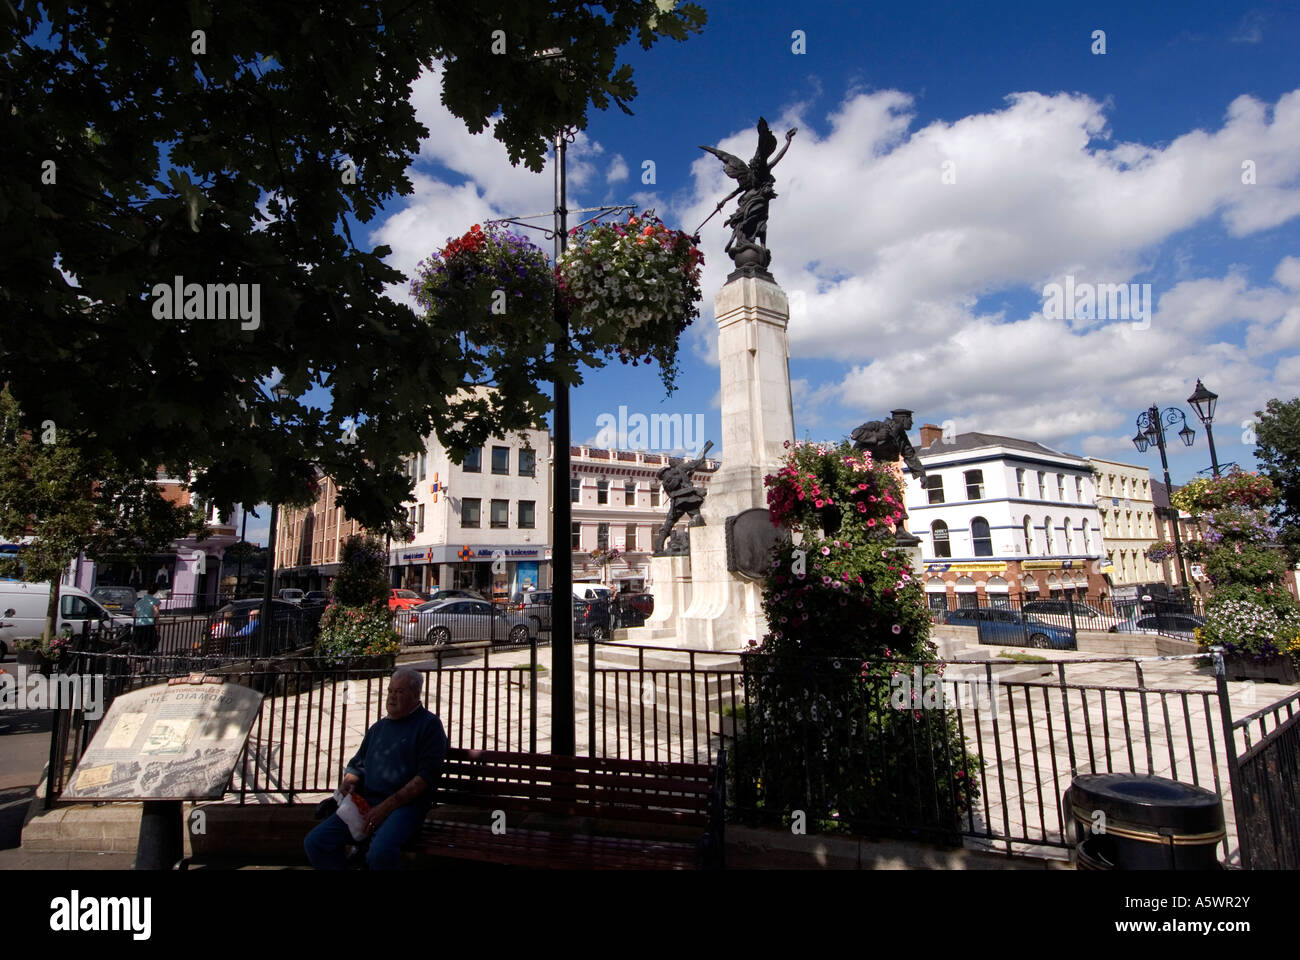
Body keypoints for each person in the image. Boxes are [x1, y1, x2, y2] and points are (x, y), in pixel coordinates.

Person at [304, 667, 448, 870]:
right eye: (390, 691)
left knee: (380, 854)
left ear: (416, 695)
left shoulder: (429, 725)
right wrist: (348, 784)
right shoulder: (379, 728)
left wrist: (386, 807)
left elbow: (425, 778)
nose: (391, 697)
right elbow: (357, 766)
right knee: (316, 842)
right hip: (366, 804)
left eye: (399, 692)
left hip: (405, 807)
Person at [131, 586, 161, 653]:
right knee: (149, 640)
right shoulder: (155, 601)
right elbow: (156, 612)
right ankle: (146, 654)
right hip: (149, 624)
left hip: (138, 624)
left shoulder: (139, 602)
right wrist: (156, 621)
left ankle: (139, 654)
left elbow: (134, 614)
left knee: (139, 641)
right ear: (155, 592)